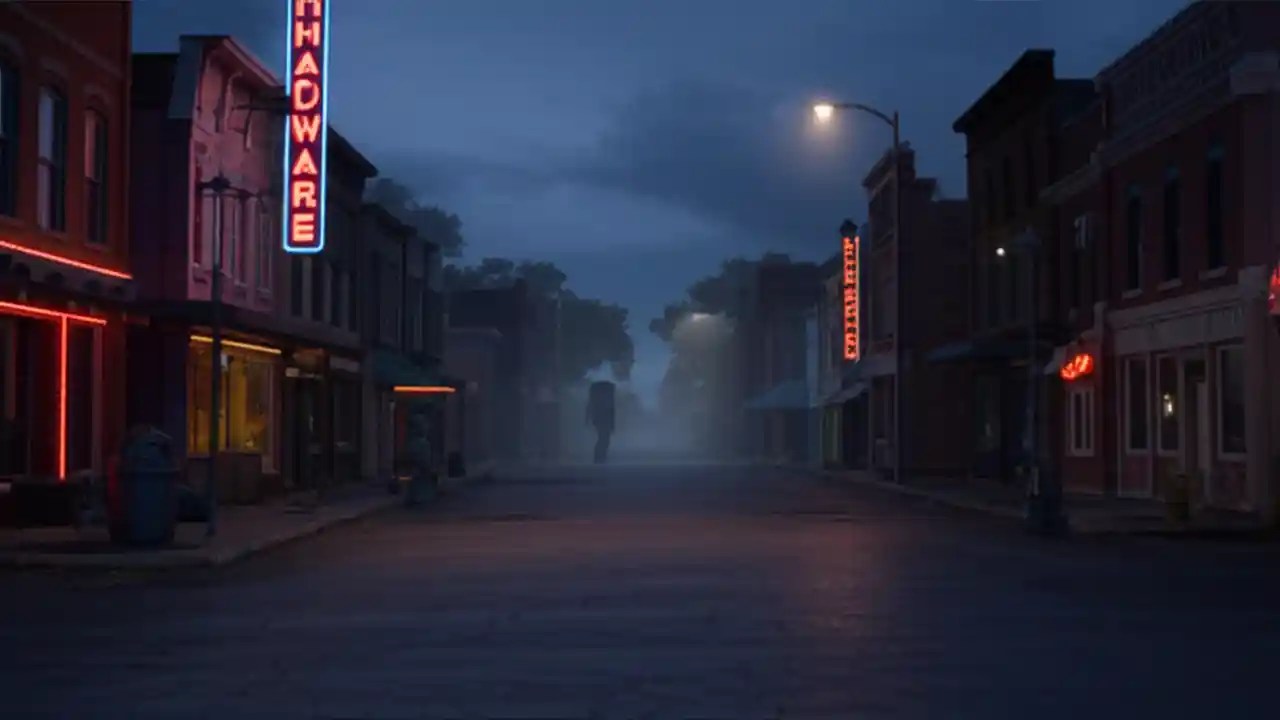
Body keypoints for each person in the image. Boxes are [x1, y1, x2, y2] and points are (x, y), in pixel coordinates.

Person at [586, 381, 616, 464]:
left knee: (603, 438)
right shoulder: (607, 398)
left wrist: (588, 419)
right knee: (604, 438)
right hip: (603, 419)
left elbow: (589, 406)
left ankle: (600, 456)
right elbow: (611, 410)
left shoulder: (596, 397)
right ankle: (600, 456)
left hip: (600, 419)